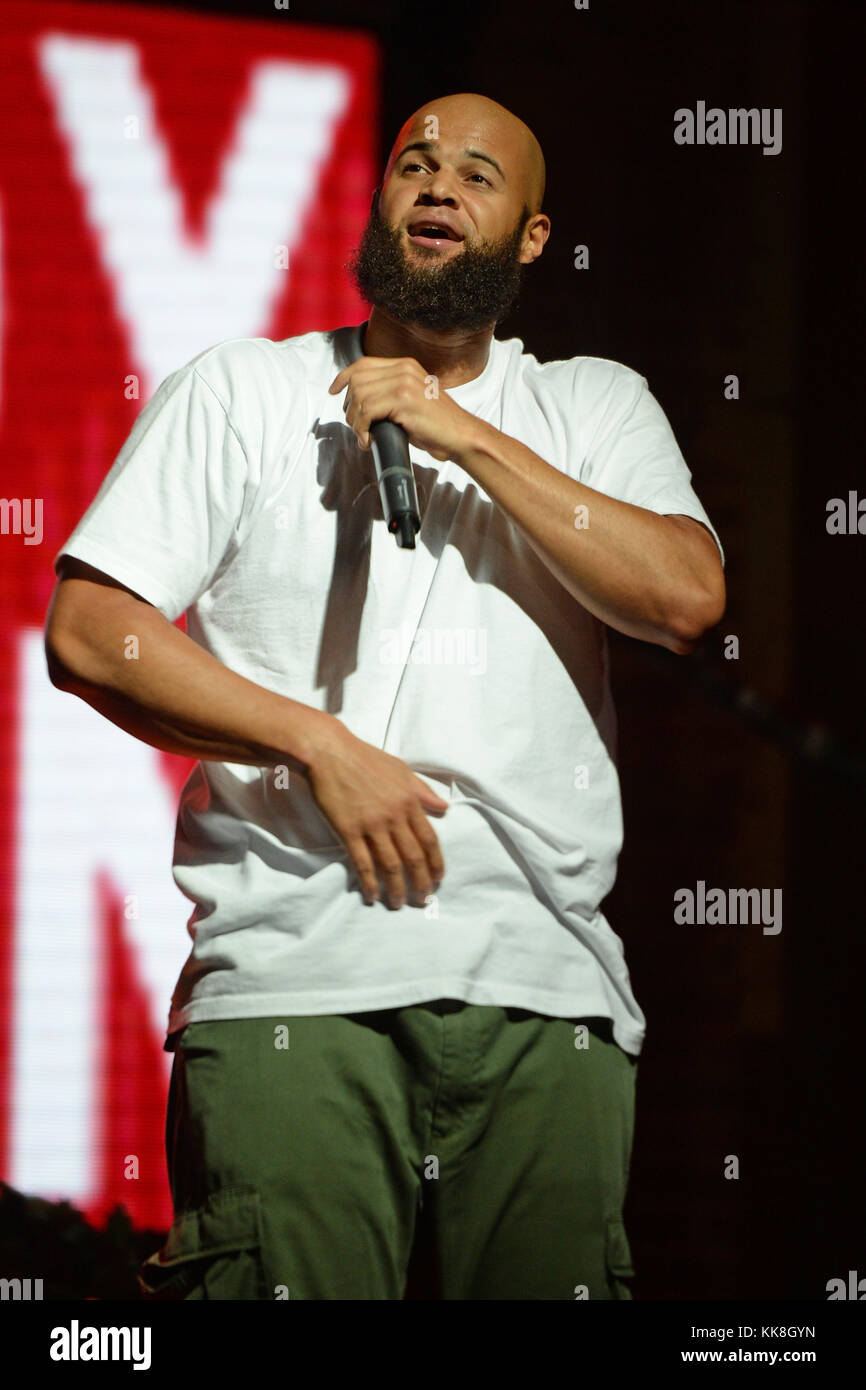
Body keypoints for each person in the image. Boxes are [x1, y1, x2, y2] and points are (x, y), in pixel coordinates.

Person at [45, 91, 725, 1300]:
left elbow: (682, 596)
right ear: (377, 200)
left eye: (475, 173)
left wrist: (456, 432)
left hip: (545, 989)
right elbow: (95, 633)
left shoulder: (590, 405)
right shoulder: (244, 391)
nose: (436, 185)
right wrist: (315, 742)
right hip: (294, 979)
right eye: (414, 163)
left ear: (528, 234)